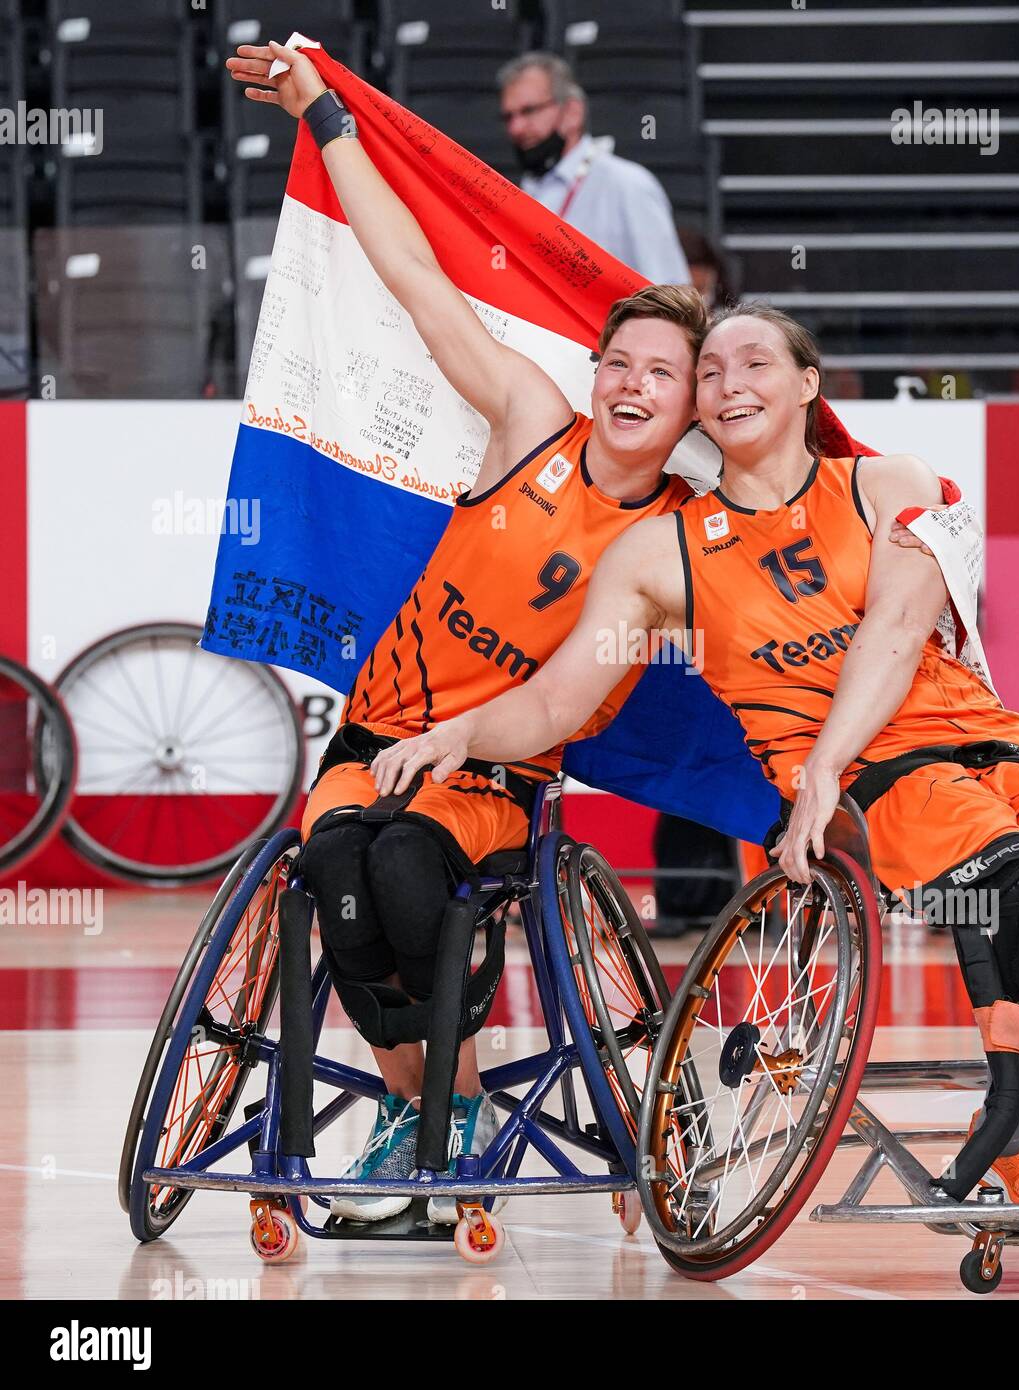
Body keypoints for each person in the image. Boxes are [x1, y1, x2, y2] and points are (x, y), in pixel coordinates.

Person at [372, 302, 1019, 1208]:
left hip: (984, 739)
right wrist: (462, 731)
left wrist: (823, 763)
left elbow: (898, 630)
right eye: (709, 372)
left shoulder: (889, 483)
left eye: (754, 364)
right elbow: (556, 701)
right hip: (871, 781)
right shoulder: (659, 552)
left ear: (808, 385)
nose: (729, 383)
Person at [226, 39, 708, 1224]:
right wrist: (327, 117)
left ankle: (446, 1101)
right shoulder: (531, 417)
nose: (631, 383)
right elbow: (411, 275)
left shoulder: (674, 543)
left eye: (661, 373)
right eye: (618, 362)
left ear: (694, 402)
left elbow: (571, 697)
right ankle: (428, 1104)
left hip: (493, 768)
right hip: (375, 730)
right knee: (334, 870)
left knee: (403, 868)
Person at [499, 52, 690, 286]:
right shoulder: (523, 189)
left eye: (529, 111)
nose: (516, 128)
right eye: (508, 117)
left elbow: (671, 290)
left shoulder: (627, 185)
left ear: (573, 112)